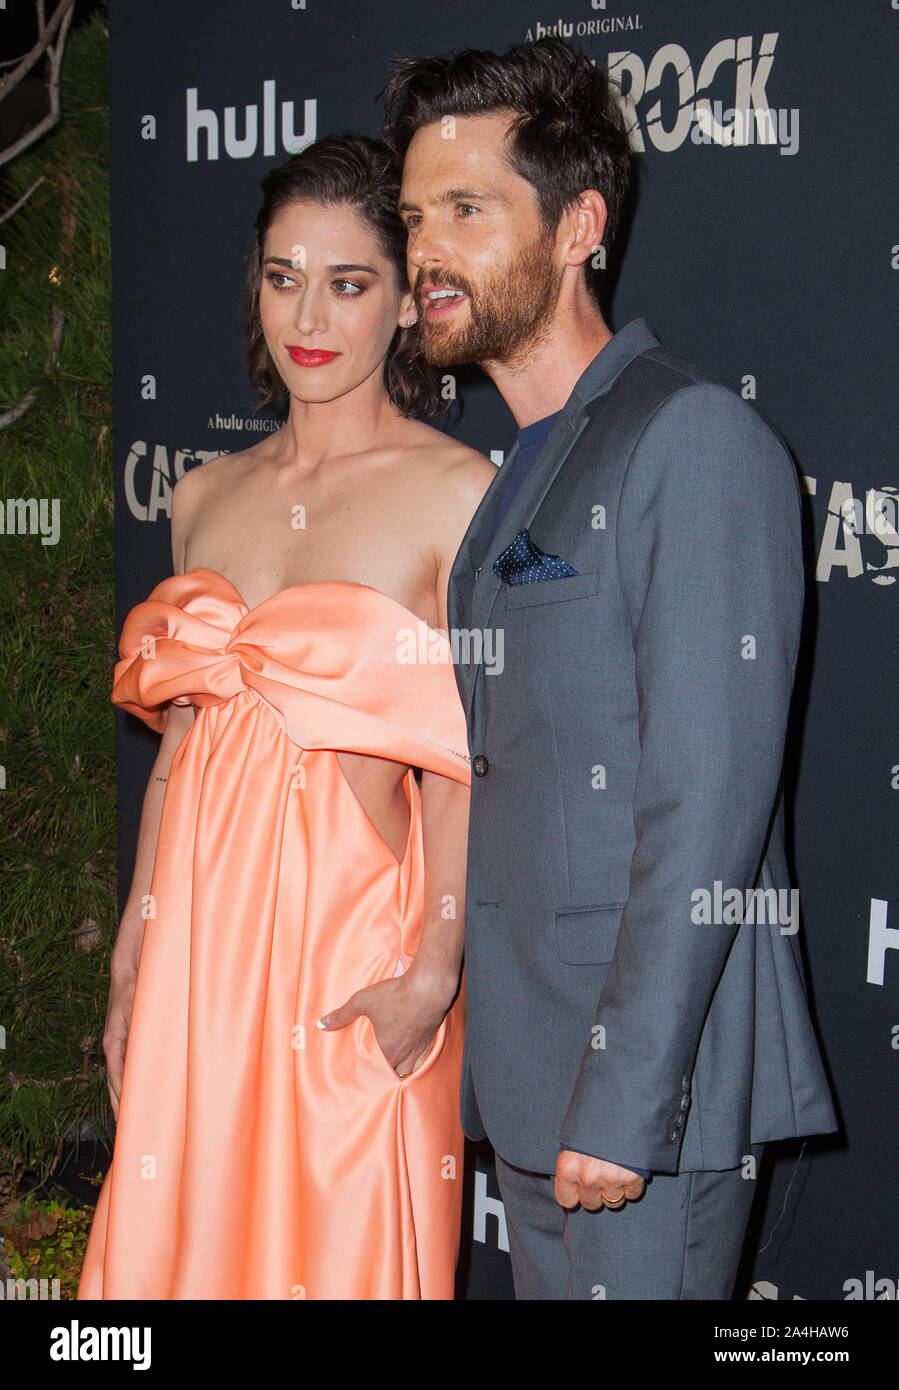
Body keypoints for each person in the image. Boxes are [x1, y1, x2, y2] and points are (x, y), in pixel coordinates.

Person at [382, 36, 838, 1300]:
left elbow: (705, 807)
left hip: (639, 1102)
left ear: (578, 224)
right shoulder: (518, 465)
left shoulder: (690, 435)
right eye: (417, 215)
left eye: (467, 210)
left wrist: (626, 1099)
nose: (426, 250)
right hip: (532, 1081)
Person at [77, 133, 496, 1300]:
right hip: (199, 951)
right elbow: (180, 751)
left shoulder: (456, 493)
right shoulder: (203, 498)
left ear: (407, 301)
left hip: (349, 955)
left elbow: (470, 765)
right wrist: (129, 960)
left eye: (348, 283)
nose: (308, 313)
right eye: (281, 275)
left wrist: (431, 972)